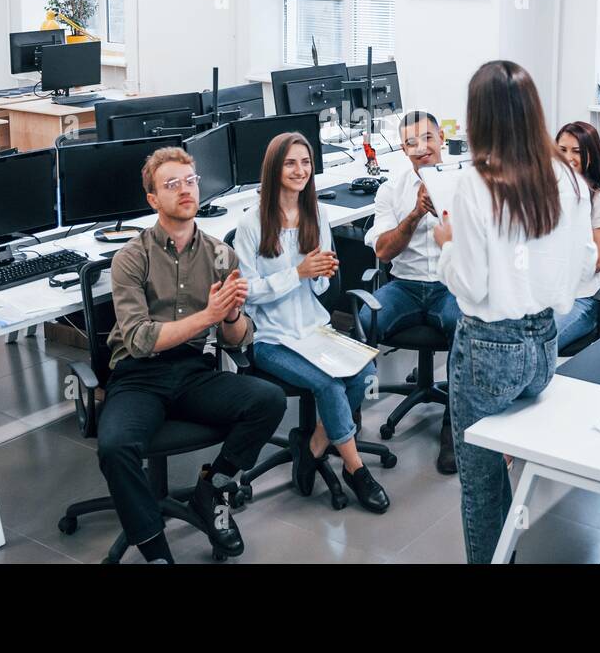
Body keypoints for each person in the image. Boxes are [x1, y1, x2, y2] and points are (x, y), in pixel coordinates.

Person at [434, 61, 597, 563]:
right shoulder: (568, 179)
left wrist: (446, 246)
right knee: (505, 466)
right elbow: (585, 264)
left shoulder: (474, 184)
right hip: (544, 347)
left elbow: (470, 283)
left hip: (488, 351)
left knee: (481, 486)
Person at [97, 147, 287, 565]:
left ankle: (212, 488)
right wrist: (209, 315)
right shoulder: (131, 258)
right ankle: (155, 550)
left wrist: (232, 315)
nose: (185, 190)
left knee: (268, 400)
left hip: (192, 370)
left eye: (190, 181)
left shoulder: (222, 255)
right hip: (138, 375)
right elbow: (140, 339)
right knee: (114, 447)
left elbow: (238, 341)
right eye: (172, 184)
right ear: (153, 200)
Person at [234, 132, 391, 513]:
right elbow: (246, 293)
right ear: (274, 169)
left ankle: (315, 446)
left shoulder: (317, 214)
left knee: (366, 373)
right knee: (330, 385)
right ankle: (356, 469)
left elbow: (321, 288)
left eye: (305, 163)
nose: (300, 170)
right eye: (290, 163)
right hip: (272, 339)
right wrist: (299, 271)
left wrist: (322, 272)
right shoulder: (251, 225)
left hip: (314, 330)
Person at [360, 109, 462, 473]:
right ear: (403, 150)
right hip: (404, 285)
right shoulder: (391, 189)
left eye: (428, 138)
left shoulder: (466, 182)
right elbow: (384, 251)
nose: (421, 148)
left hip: (451, 285)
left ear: (442, 140)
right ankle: (348, 421)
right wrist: (416, 214)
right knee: (365, 318)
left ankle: (454, 428)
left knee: (464, 325)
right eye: (411, 143)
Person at [552, 121, 600, 351]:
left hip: (579, 299)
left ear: (590, 156)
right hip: (544, 294)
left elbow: (596, 262)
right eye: (561, 150)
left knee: (535, 345)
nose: (567, 158)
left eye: (576, 152)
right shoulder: (547, 193)